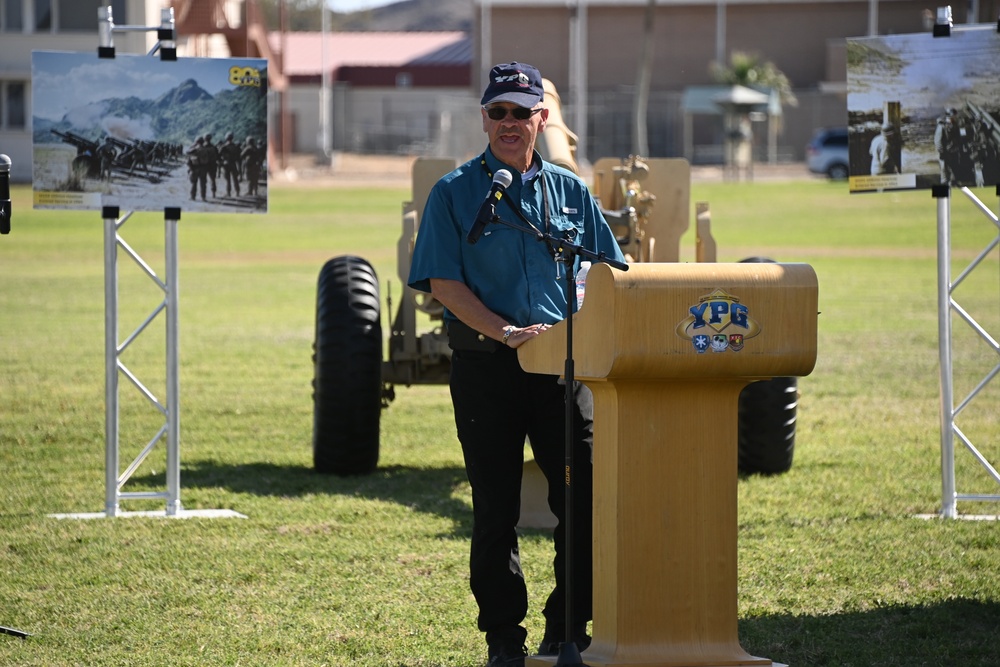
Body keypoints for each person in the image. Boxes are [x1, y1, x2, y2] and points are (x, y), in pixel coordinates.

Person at [407, 62, 625, 667]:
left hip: (563, 371)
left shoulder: (571, 192)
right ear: (484, 119)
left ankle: (568, 627)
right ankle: (504, 637)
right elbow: (443, 284)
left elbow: (610, 271)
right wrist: (505, 332)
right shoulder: (454, 192)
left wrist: (580, 320)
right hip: (487, 370)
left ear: (541, 118)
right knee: (495, 509)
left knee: (580, 501)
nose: (509, 122)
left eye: (521, 112)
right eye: (497, 111)